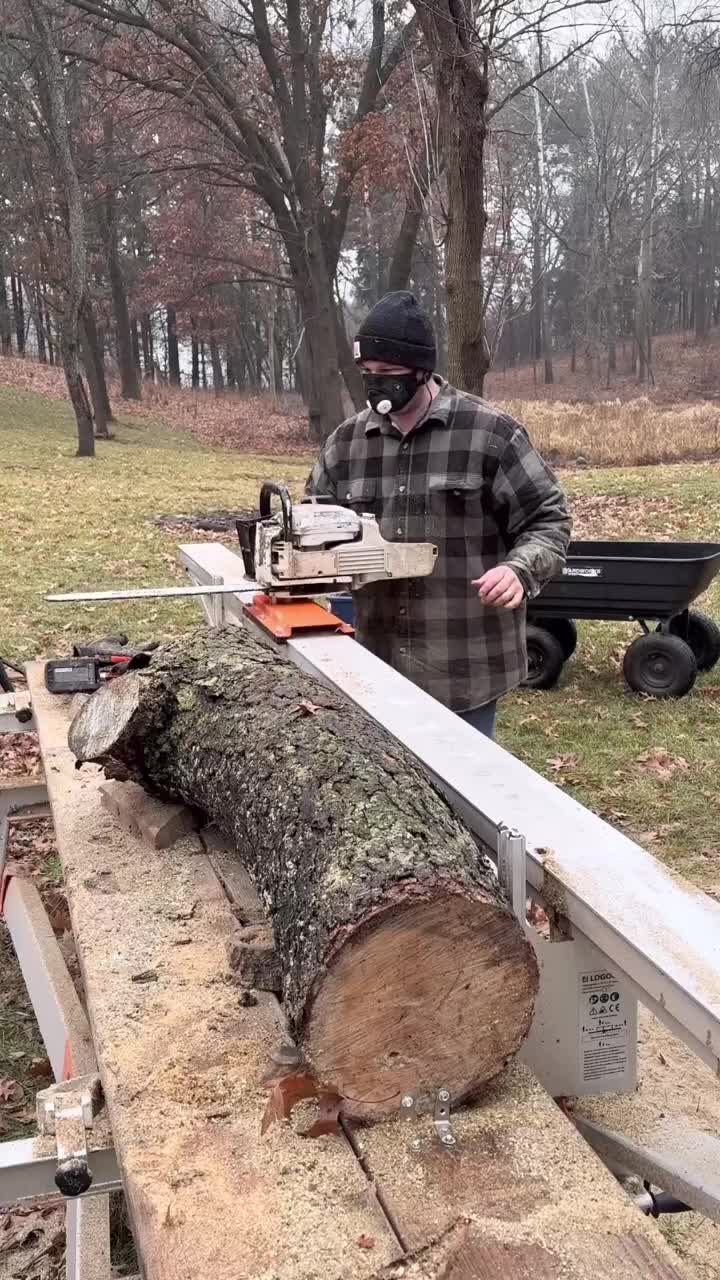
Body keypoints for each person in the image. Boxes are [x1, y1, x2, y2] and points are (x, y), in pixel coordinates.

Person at [307, 291, 571, 739]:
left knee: (461, 797)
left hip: (466, 664)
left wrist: (519, 570)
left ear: (422, 370)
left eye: (389, 374)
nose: (376, 385)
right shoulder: (346, 444)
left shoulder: (490, 433)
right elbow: (316, 522)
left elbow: (549, 520)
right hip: (376, 661)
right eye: (367, 374)